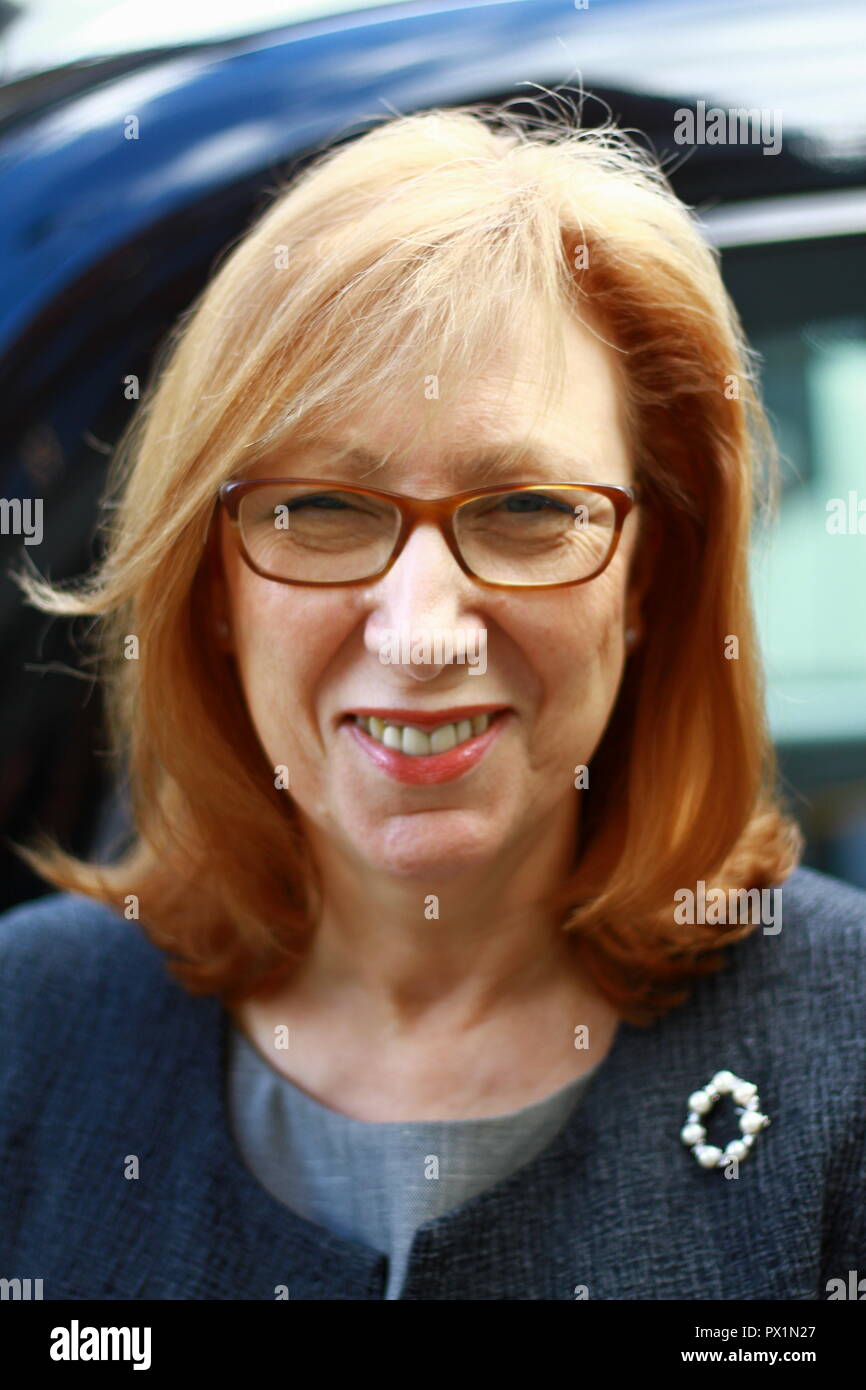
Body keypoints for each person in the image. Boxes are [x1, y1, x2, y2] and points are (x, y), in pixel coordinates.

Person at [1, 103, 864, 1302]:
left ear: (647, 576)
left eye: (523, 511)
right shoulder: (30, 1028)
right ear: (209, 587)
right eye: (320, 510)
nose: (418, 633)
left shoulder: (845, 1057)